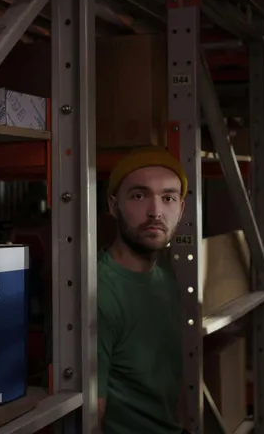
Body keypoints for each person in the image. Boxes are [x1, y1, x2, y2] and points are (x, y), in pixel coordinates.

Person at [98, 147, 188, 434]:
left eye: (168, 198)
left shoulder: (165, 279)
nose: (156, 211)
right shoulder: (98, 291)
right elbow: (89, 419)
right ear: (113, 206)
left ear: (181, 209)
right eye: (139, 196)